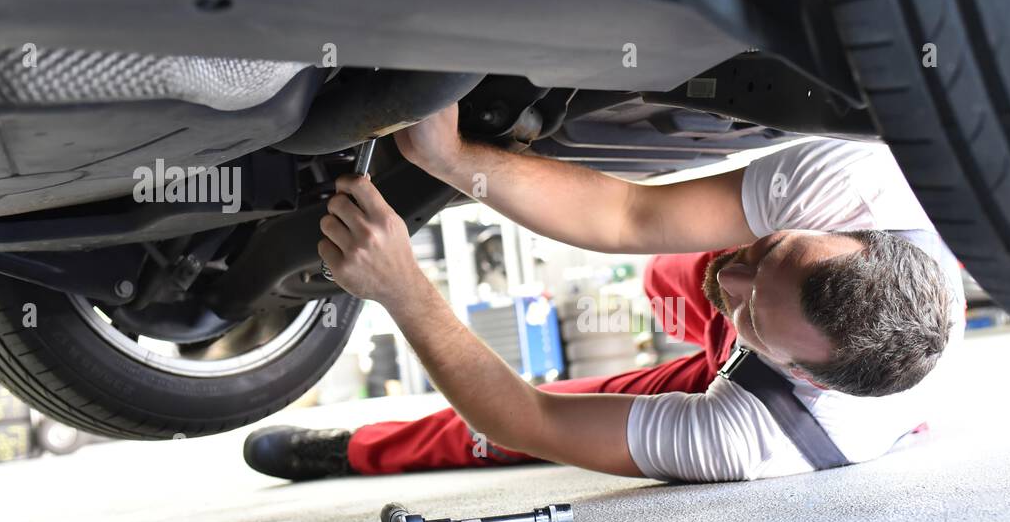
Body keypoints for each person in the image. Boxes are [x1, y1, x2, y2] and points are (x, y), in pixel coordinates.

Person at [243, 104, 964, 483]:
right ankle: (740, 293)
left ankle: (351, 450)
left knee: (532, 428)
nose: (733, 283)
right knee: (669, 276)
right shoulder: (868, 187)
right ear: (853, 234)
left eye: (749, 312)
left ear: (800, 372)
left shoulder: (758, 436)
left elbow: (529, 418)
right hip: (788, 312)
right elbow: (631, 216)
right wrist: (452, 158)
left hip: (770, 387)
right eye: (773, 249)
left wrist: (401, 288)